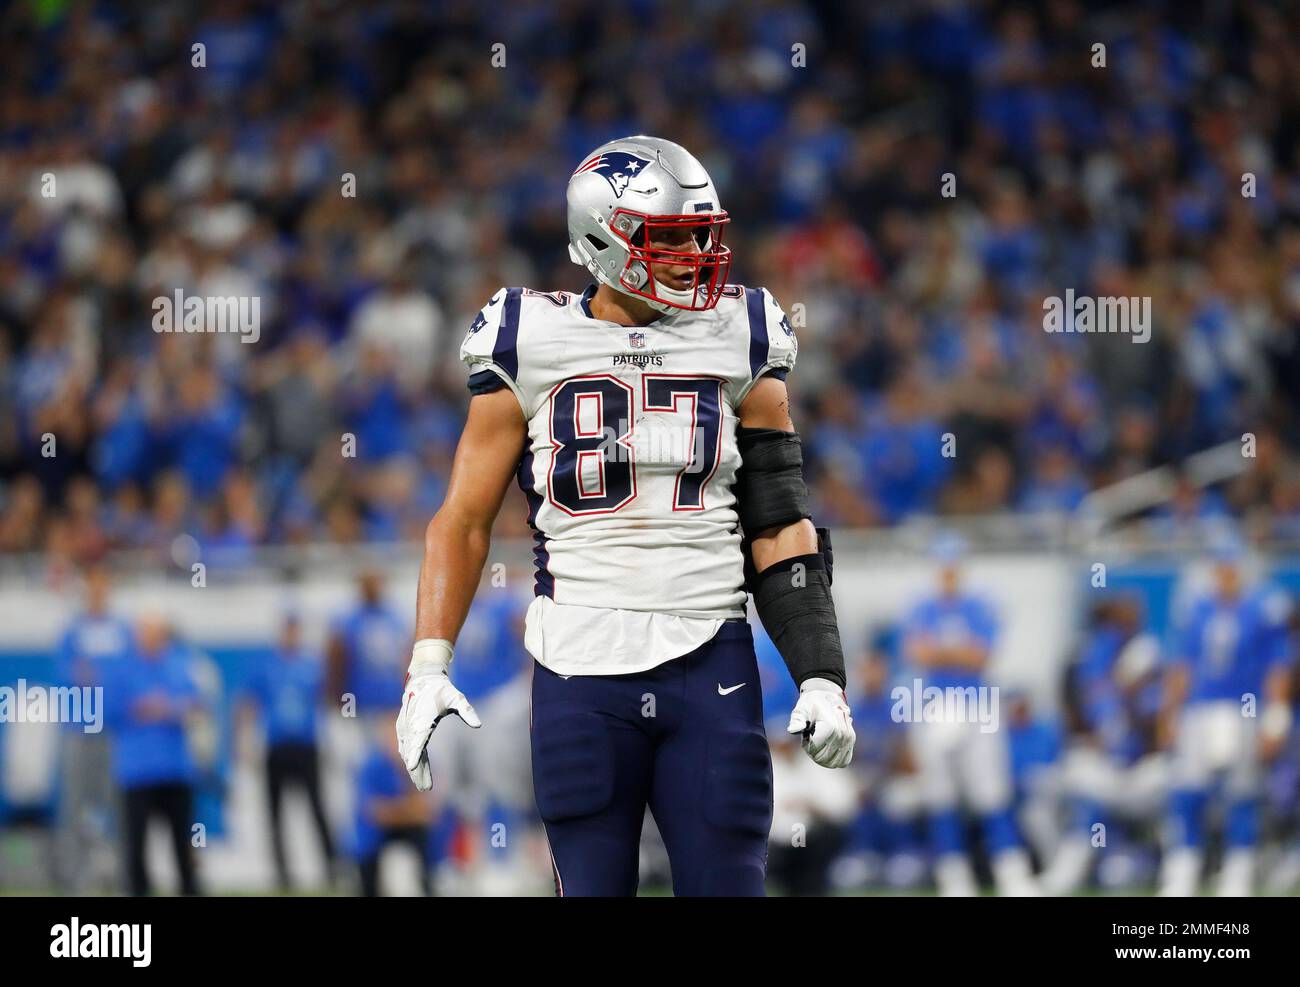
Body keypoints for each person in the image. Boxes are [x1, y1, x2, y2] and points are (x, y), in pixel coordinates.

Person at [394, 136, 855, 896]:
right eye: (673, 240)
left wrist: (820, 672)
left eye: (705, 235)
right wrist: (426, 666)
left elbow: (778, 518)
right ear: (603, 240)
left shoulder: (742, 331)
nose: (700, 255)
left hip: (712, 656)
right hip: (579, 663)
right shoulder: (527, 336)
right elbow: (463, 519)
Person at [899, 534, 1038, 895]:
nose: (947, 574)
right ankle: (954, 879)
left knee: (992, 795)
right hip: (935, 706)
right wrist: (957, 652)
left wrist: (943, 652)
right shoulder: (923, 606)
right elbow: (918, 653)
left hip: (976, 706)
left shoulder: (978, 605)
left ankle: (1012, 874)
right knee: (941, 797)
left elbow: (981, 656)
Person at [1157, 539, 1293, 896]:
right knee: (1188, 791)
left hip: (1243, 708)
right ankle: (1183, 870)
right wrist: (1170, 713)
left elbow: (1277, 668)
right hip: (1199, 710)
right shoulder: (1197, 608)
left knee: (1242, 792)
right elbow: (1181, 665)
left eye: (1232, 568)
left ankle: (1238, 873)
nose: (1226, 576)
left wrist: (1275, 718)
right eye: (1221, 568)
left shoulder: (1262, 609)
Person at [101, 613, 203, 896]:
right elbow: (107, 712)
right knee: (136, 847)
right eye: (146, 632)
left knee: (185, 846)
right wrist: (137, 709)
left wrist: (168, 708)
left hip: (176, 770)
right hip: (136, 772)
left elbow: (197, 706)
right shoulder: (122, 670)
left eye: (156, 633)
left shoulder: (180, 664)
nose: (151, 639)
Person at [240, 612, 335, 891]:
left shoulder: (310, 664)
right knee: (275, 813)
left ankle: (330, 866)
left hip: (305, 745)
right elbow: (248, 703)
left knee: (317, 808)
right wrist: (244, 742)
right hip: (277, 746)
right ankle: (282, 872)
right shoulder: (266, 664)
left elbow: (326, 698)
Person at [53, 565, 132, 892]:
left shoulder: (122, 630)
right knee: (75, 806)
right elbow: (67, 672)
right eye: (93, 589)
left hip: (114, 732)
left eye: (103, 589)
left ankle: (123, 874)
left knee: (120, 805)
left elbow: (126, 675)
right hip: (79, 731)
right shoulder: (73, 631)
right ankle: (75, 878)